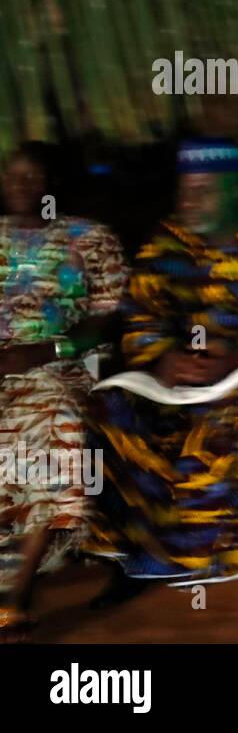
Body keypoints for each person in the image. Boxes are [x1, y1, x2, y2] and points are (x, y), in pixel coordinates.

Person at [85, 137, 238, 622]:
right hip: (177, 389)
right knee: (107, 408)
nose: (190, 202)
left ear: (236, 192)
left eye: (205, 191)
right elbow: (140, 321)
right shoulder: (167, 242)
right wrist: (163, 358)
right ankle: (132, 560)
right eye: (185, 191)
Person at [0, 143, 126, 640]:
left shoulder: (88, 238)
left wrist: (44, 352)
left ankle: (17, 591)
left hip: (55, 366)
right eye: (13, 175)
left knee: (51, 423)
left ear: (53, 181)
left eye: (34, 176)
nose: (22, 184)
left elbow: (105, 317)